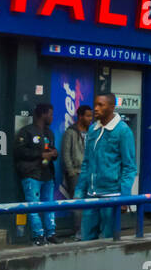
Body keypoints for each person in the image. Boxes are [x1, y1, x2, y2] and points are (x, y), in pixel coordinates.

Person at [74, 92, 138, 241]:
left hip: (112, 196)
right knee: (86, 239)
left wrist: (125, 197)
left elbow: (129, 167)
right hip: (91, 195)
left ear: (111, 107)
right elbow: (87, 163)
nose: (95, 108)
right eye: (95, 104)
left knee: (108, 241)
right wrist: (79, 191)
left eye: (100, 105)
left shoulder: (123, 131)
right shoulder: (92, 129)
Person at [16, 102, 60, 246]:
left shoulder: (49, 133)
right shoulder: (26, 132)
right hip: (31, 174)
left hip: (47, 175)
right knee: (33, 206)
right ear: (43, 114)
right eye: (51, 114)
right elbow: (20, 152)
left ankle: (51, 234)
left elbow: (51, 150)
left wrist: (53, 154)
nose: (52, 117)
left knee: (49, 205)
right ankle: (38, 236)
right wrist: (40, 155)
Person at [60, 103, 93, 234]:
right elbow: (66, 153)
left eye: (91, 116)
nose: (91, 119)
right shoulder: (71, 132)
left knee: (90, 204)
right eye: (88, 116)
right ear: (80, 117)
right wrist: (72, 173)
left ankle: (88, 231)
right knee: (78, 204)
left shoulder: (92, 132)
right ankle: (79, 232)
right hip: (77, 173)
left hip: (90, 173)